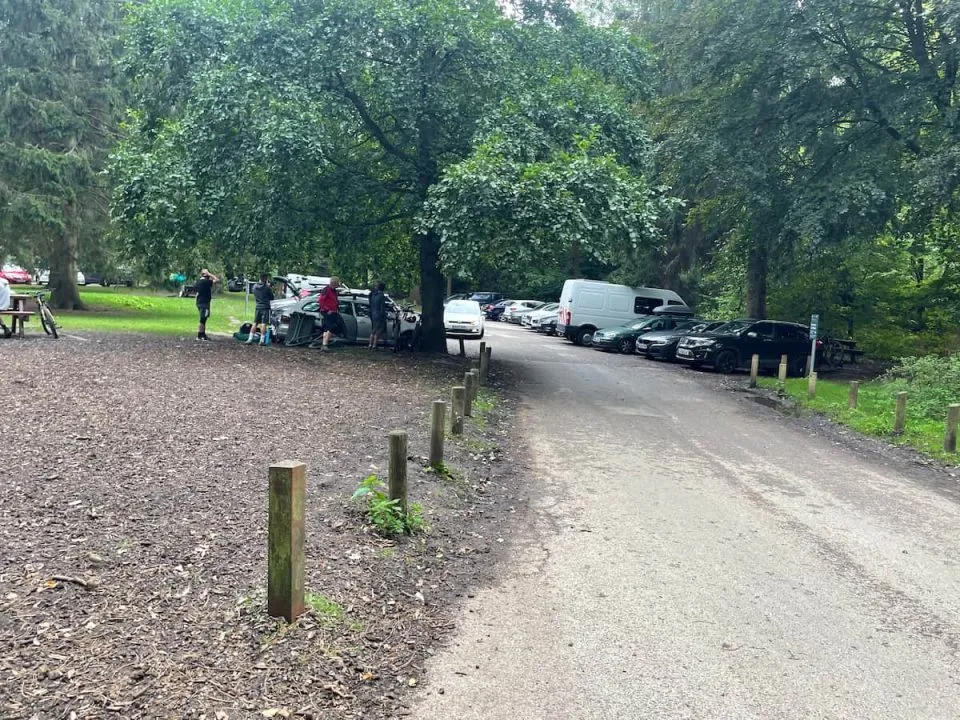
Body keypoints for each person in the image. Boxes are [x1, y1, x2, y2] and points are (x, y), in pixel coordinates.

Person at [248, 273, 274, 345]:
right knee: (264, 323)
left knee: (255, 322)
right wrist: (269, 287)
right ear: (265, 279)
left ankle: (250, 338)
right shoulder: (267, 288)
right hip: (265, 307)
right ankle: (261, 340)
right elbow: (271, 297)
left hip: (258, 306)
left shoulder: (255, 286)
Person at [317, 276, 342, 351]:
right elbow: (321, 301)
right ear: (333, 283)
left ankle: (324, 344)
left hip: (333, 312)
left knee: (329, 328)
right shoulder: (326, 290)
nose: (338, 285)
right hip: (328, 312)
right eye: (337, 283)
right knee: (330, 327)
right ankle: (324, 345)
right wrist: (327, 310)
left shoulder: (334, 291)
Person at [195, 269, 219, 340]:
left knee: (203, 319)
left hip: (199, 302)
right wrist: (209, 273)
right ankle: (200, 335)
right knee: (203, 319)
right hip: (204, 303)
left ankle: (203, 334)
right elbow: (216, 280)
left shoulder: (199, 281)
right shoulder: (205, 282)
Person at [368, 281, 387, 350]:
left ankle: (370, 344)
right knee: (378, 330)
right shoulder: (381, 295)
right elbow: (382, 307)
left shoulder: (373, 294)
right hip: (379, 314)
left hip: (373, 313)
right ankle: (374, 345)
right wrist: (383, 315)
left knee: (373, 329)